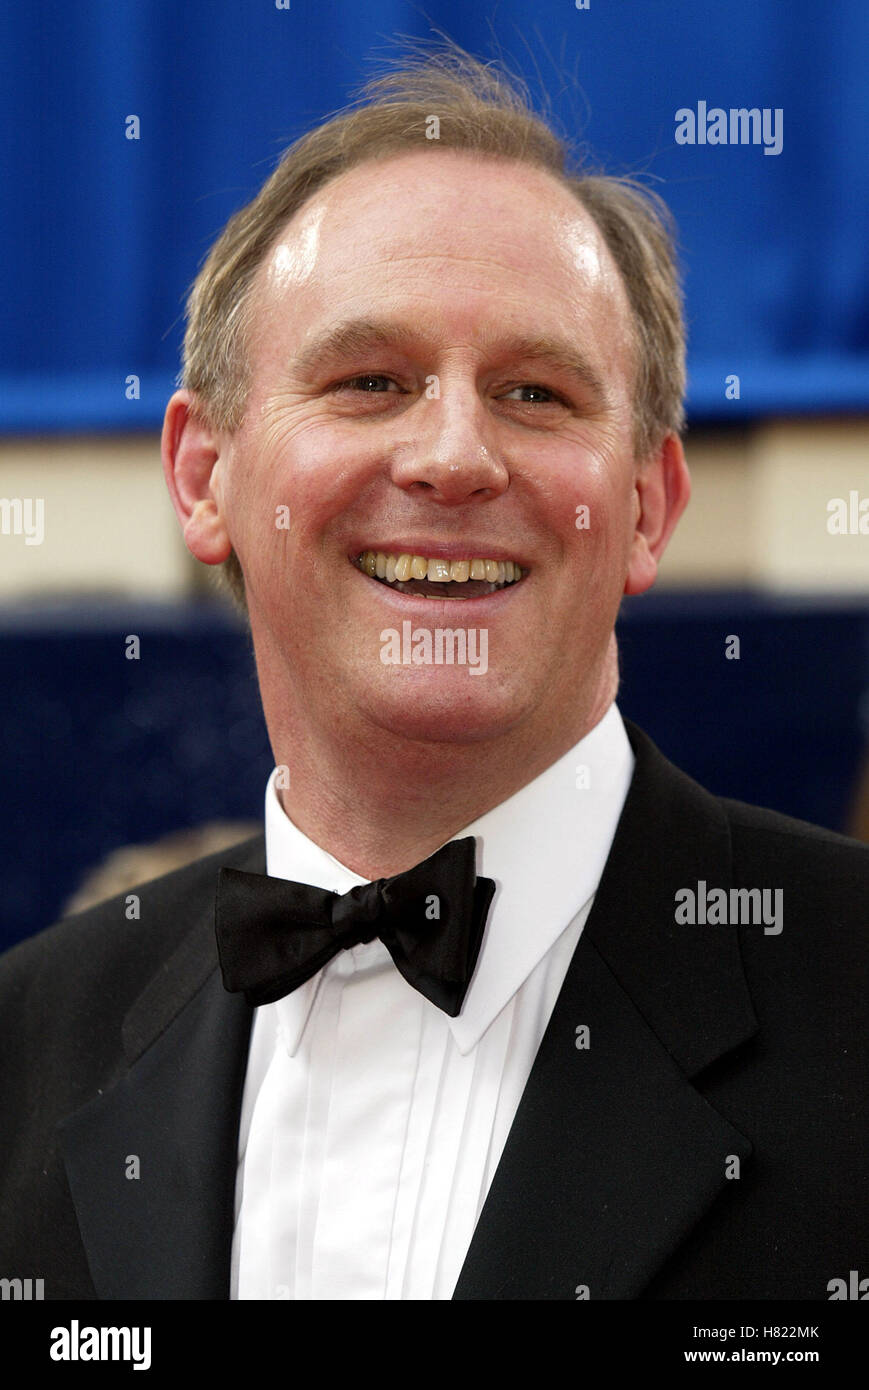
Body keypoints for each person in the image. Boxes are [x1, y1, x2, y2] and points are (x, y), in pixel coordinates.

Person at [1, 45, 866, 1302]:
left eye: (534, 391)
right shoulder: (25, 1047)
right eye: (369, 382)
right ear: (204, 477)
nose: (453, 456)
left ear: (643, 506)